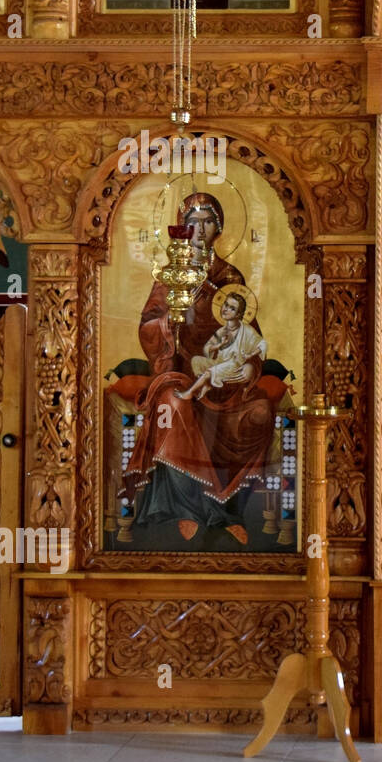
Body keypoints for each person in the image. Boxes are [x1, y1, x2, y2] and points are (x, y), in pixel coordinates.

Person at [123, 192, 275, 546]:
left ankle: (229, 511)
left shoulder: (228, 274)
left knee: (260, 411)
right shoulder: (169, 276)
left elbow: (251, 332)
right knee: (174, 406)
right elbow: (148, 325)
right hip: (175, 370)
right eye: (193, 222)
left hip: (224, 376)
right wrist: (169, 323)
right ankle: (188, 510)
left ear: (219, 228)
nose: (200, 229)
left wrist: (251, 368)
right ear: (182, 229)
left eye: (208, 221)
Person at [179, 289, 265, 401]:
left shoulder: (247, 330)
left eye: (232, 308)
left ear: (238, 314)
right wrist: (218, 346)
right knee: (196, 361)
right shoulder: (221, 331)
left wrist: (250, 358)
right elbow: (207, 348)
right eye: (226, 304)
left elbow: (262, 344)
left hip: (234, 365)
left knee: (210, 372)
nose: (226, 309)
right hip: (220, 362)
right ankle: (207, 385)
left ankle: (189, 393)